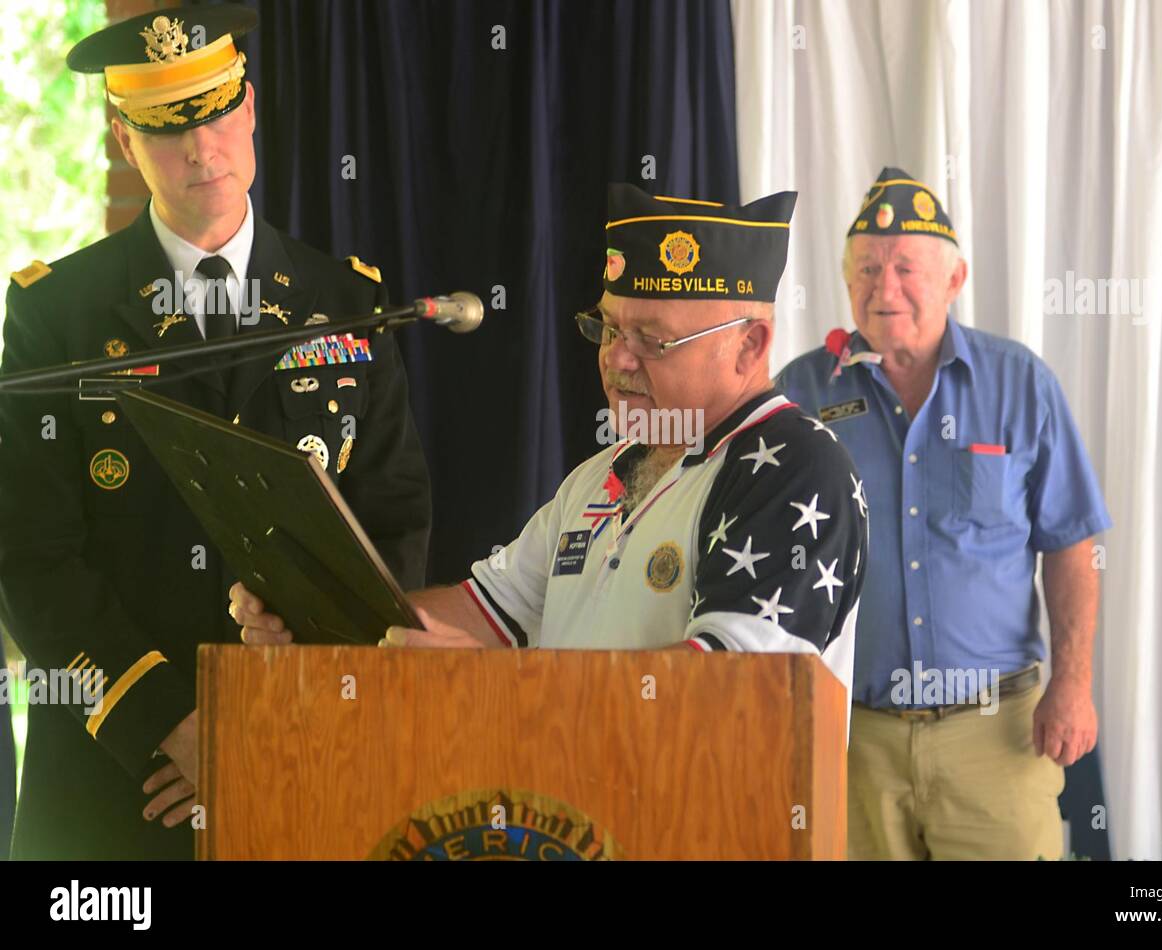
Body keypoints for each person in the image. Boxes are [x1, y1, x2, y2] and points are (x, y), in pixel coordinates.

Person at [0, 5, 431, 859]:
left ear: (252, 110)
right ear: (126, 142)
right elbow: (32, 551)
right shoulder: (57, 315)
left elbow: (393, 529)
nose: (201, 151)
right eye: (166, 130)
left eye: (214, 115)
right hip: (116, 775)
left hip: (303, 748)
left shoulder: (346, 303)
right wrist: (171, 726)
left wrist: (290, 703)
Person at [235, 184, 865, 702]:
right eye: (608, 326)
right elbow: (483, 613)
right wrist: (317, 615)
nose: (617, 359)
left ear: (749, 345)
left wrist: (495, 684)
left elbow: (727, 687)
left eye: (653, 339)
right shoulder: (603, 473)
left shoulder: (793, 468)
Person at [777, 167, 1112, 860]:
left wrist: (1074, 684)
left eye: (906, 266)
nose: (884, 286)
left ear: (955, 279)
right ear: (845, 282)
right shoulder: (802, 391)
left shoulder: (1020, 384)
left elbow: (1071, 544)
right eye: (866, 268)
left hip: (997, 735)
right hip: (855, 739)